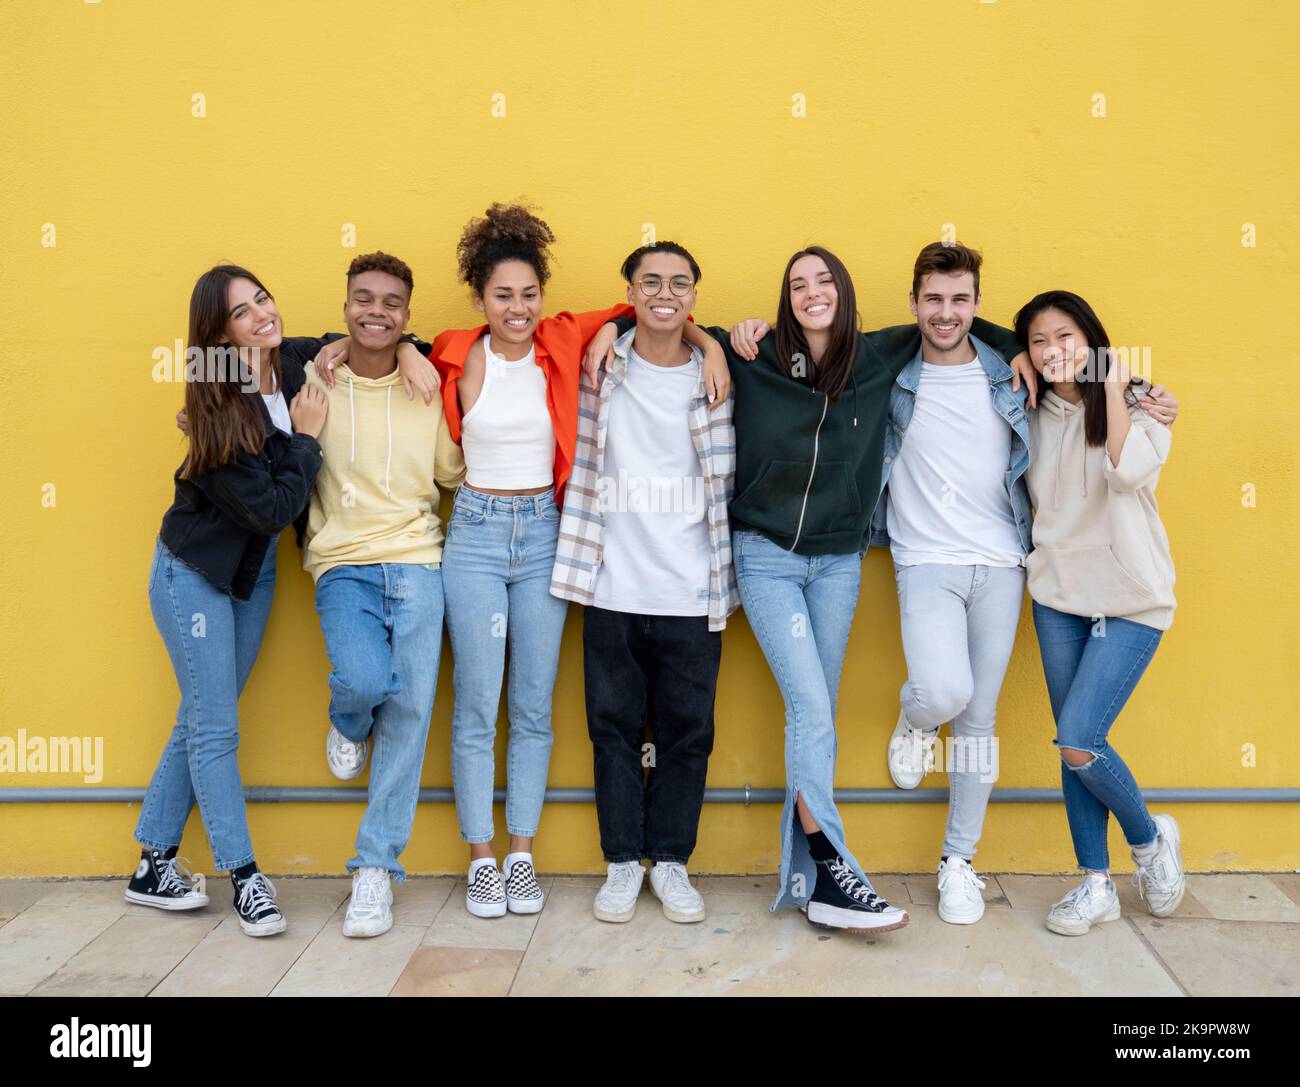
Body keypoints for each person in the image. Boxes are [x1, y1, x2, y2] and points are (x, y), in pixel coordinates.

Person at [130, 264, 327, 936]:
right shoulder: (217, 407)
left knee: (203, 717)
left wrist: (415, 355)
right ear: (219, 333)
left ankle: (152, 861)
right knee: (215, 727)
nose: (262, 315)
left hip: (253, 573)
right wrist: (305, 439)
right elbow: (272, 508)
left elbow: (356, 336)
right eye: (243, 312)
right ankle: (246, 878)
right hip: (193, 573)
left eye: (263, 298)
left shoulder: (291, 360)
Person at [551, 242, 737, 925]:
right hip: (611, 585)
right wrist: (609, 326)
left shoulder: (718, 374)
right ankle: (623, 862)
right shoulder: (600, 364)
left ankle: (675, 862)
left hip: (693, 585)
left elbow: (762, 338)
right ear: (628, 291)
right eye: (650, 281)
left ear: (695, 295)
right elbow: (534, 325)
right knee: (613, 729)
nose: (665, 292)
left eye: (680, 283)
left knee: (689, 734)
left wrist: (708, 343)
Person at [302, 251, 465, 938]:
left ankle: (374, 868)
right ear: (344, 308)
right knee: (365, 680)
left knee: (411, 709)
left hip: (420, 561)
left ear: (407, 315)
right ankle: (347, 720)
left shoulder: (425, 387)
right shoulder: (314, 380)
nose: (377, 311)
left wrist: (423, 364)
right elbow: (252, 355)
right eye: (363, 299)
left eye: (392, 302)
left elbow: (454, 471)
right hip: (343, 563)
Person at [1015, 289, 1185, 936]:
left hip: (1131, 598)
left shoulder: (1142, 403)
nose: (1053, 350)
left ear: (1092, 341)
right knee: (1070, 747)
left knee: (1081, 741)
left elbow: (1124, 471)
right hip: (1058, 598)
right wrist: (1015, 362)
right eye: (1038, 340)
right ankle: (1095, 884)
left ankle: (1148, 842)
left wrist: (1112, 386)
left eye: (1066, 337)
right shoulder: (1025, 409)